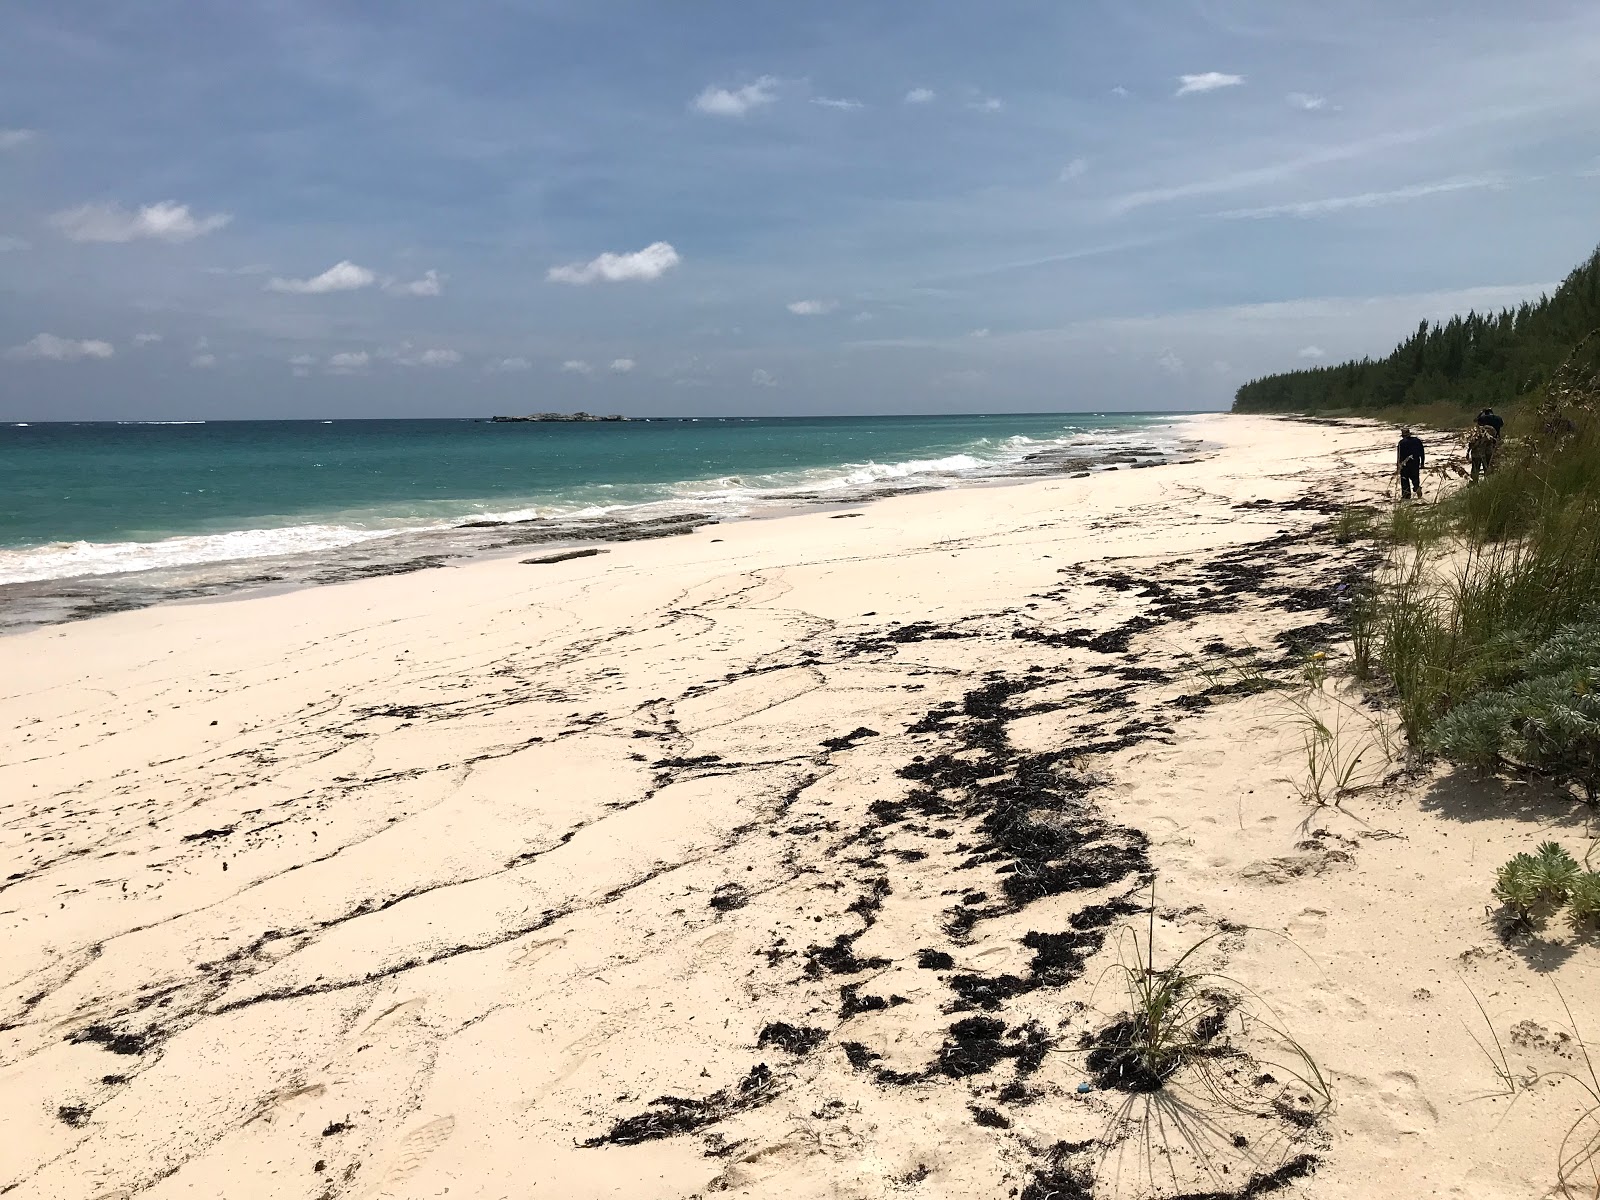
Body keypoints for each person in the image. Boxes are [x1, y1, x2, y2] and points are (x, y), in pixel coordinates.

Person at [1397, 427, 1425, 500]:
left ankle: (1406, 496)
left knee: (1405, 480)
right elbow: (1422, 452)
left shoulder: (1401, 443)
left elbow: (1399, 456)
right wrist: (1422, 463)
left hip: (1405, 464)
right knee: (1415, 479)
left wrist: (1398, 466)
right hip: (1415, 463)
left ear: (1402, 436)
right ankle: (1418, 489)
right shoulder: (1417, 440)